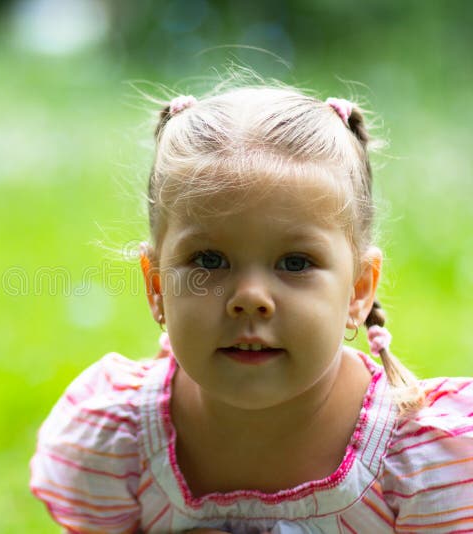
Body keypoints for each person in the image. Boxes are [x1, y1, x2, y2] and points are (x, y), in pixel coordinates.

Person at [28, 84, 473, 533]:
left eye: (295, 263)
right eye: (209, 260)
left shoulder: (422, 467)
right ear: (157, 286)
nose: (250, 298)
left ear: (358, 291)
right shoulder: (115, 445)